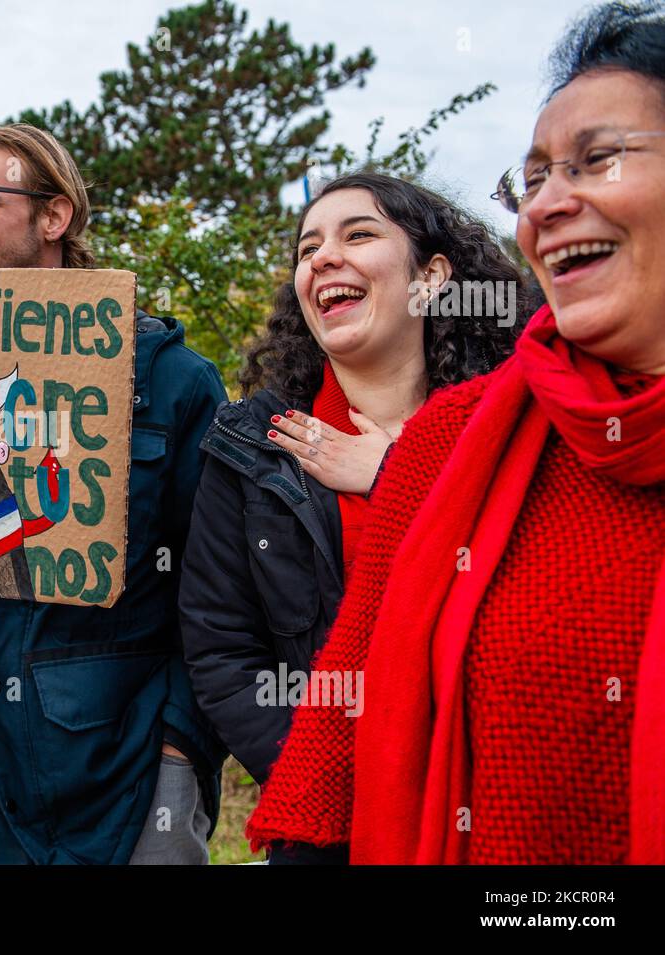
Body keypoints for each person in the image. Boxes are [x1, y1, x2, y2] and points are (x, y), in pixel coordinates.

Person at [246, 0, 665, 864]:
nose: (549, 204)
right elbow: (328, 719)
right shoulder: (455, 441)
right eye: (534, 179)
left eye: (595, 161)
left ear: (433, 276)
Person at [0, 123, 227, 864]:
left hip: (130, 781)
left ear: (54, 217)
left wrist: (179, 749)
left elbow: (218, 592)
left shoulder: (172, 381)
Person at [179, 173, 527, 788]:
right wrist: (319, 781)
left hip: (494, 788)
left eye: (359, 234)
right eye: (307, 249)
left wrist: (397, 476)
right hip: (329, 814)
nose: (323, 258)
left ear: (432, 277)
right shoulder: (250, 443)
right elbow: (222, 651)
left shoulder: (514, 420)